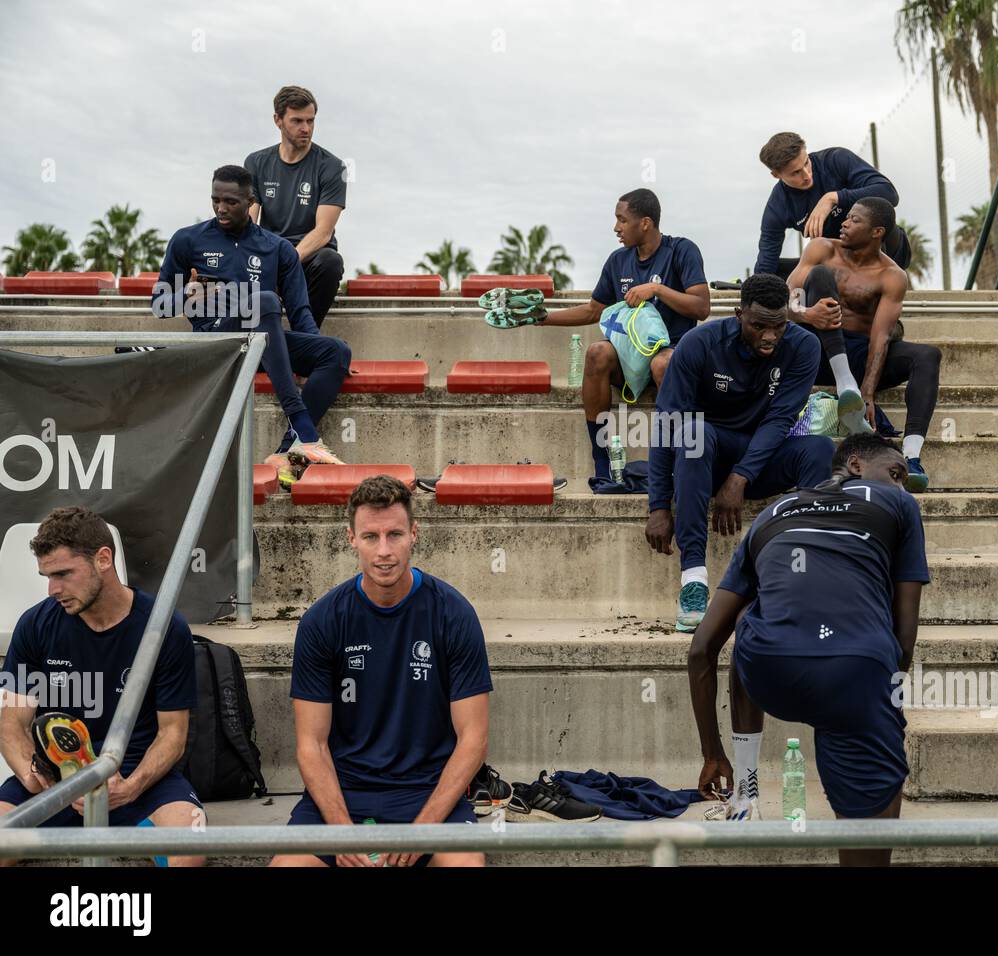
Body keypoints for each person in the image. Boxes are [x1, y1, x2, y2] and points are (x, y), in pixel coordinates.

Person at [687, 434, 929, 865]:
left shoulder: (770, 514)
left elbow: (701, 649)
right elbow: (904, 637)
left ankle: (745, 785)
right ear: (854, 465)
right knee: (869, 839)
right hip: (858, 669)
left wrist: (712, 753)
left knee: (748, 619)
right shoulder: (900, 505)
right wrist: (882, 709)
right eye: (896, 473)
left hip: (769, 668)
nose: (902, 485)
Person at [270, 476, 493, 867]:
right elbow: (311, 745)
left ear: (414, 534)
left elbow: (473, 740)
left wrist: (423, 828)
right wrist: (341, 831)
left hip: (426, 791)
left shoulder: (453, 614)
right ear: (351, 538)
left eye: (395, 534)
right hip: (344, 791)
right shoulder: (322, 622)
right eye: (371, 537)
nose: (384, 551)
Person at [0, 507, 205, 867]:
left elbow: (173, 734)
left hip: (138, 781)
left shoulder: (163, 626)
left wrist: (132, 786)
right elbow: (10, 724)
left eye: (63, 574)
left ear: (103, 559)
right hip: (56, 781)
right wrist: (44, 782)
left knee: (190, 854)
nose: (53, 590)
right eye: (47, 576)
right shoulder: (35, 624)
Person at [645, 273, 833, 631]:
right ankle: (694, 582)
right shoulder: (699, 344)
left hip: (760, 460)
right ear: (738, 314)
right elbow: (667, 423)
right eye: (759, 325)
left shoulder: (804, 346)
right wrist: (658, 505)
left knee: (821, 449)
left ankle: (805, 576)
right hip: (703, 460)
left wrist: (741, 477)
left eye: (778, 327)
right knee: (693, 432)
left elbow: (779, 421)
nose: (769, 336)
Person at [152, 164, 350, 486]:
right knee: (266, 301)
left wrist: (315, 350)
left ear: (250, 201)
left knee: (336, 352)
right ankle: (304, 428)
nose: (221, 208)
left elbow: (300, 313)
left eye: (231, 201)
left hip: (261, 344)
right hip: (218, 341)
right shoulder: (188, 240)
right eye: (215, 199)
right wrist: (188, 294)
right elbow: (159, 305)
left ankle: (288, 453)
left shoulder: (278, 249)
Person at [527, 189, 710, 480]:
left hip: (670, 354)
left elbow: (701, 308)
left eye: (622, 220)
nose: (616, 228)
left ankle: (672, 461)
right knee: (597, 352)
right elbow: (593, 311)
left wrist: (657, 289)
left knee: (663, 363)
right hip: (629, 360)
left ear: (646, 223)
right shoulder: (618, 261)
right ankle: (602, 461)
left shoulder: (682, 250)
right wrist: (543, 318)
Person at [788, 196, 940, 492]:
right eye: (847, 217)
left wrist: (868, 392)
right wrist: (808, 313)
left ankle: (911, 456)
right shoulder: (822, 249)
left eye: (855, 220)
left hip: (859, 357)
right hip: (814, 355)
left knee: (928, 355)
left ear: (877, 232)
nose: (844, 222)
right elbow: (785, 303)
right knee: (820, 275)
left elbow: (881, 337)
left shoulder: (892, 275)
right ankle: (846, 385)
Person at [245, 85, 348, 328]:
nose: (306, 128)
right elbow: (248, 223)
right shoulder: (256, 162)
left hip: (310, 257)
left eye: (311, 121)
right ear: (277, 120)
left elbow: (323, 232)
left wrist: (287, 263)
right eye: (297, 121)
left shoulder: (333, 166)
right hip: (270, 255)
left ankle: (305, 336)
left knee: (331, 262)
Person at [755, 131, 911, 279]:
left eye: (807, 163)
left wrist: (833, 198)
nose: (807, 175)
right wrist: (756, 287)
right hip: (840, 263)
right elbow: (767, 260)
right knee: (773, 272)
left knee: (874, 215)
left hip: (889, 253)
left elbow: (889, 194)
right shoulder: (778, 206)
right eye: (795, 173)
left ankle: (874, 282)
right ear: (776, 175)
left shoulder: (836, 159)